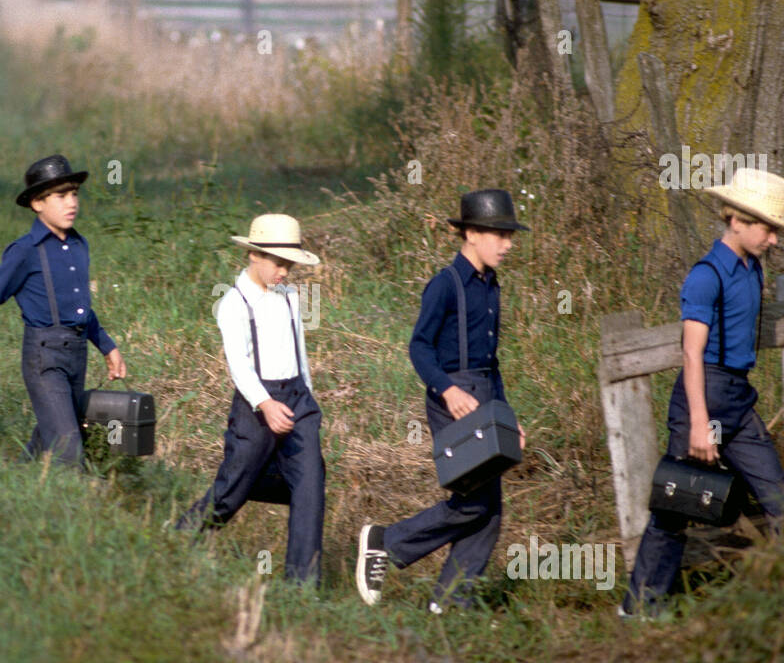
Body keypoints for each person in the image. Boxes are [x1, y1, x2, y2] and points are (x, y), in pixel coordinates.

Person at [620, 167, 784, 617]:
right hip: (704, 395)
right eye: (767, 228)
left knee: (781, 500)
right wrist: (701, 424)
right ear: (736, 219)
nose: (774, 239)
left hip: (738, 399)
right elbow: (692, 355)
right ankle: (640, 608)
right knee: (675, 504)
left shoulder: (753, 268)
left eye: (778, 229)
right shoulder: (705, 276)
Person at [356, 188, 528, 611]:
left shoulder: (492, 287)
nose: (507, 244)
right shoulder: (444, 285)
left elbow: (493, 361)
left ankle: (450, 603)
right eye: (498, 235)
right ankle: (386, 541)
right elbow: (419, 347)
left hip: (485, 396)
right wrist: (447, 390)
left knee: (489, 509)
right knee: (473, 503)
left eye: (510, 235)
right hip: (451, 397)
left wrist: (508, 417)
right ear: (470, 233)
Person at [174, 214, 326, 586]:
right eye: (279, 263)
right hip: (256, 404)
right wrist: (265, 404)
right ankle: (177, 539)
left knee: (311, 485)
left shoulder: (290, 296)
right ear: (255, 256)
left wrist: (309, 397)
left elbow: (299, 350)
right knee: (232, 490)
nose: (285, 272)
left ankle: (302, 584)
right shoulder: (234, 302)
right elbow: (238, 365)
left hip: (297, 399)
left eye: (289, 264)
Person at [0, 155, 126, 464]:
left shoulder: (78, 245)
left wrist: (107, 347)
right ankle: (75, 505)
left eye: (74, 193)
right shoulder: (25, 251)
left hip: (76, 354)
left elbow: (81, 309)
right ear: (37, 203)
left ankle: (15, 482)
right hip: (43, 356)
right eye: (61, 195)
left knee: (52, 433)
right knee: (68, 446)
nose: (71, 202)